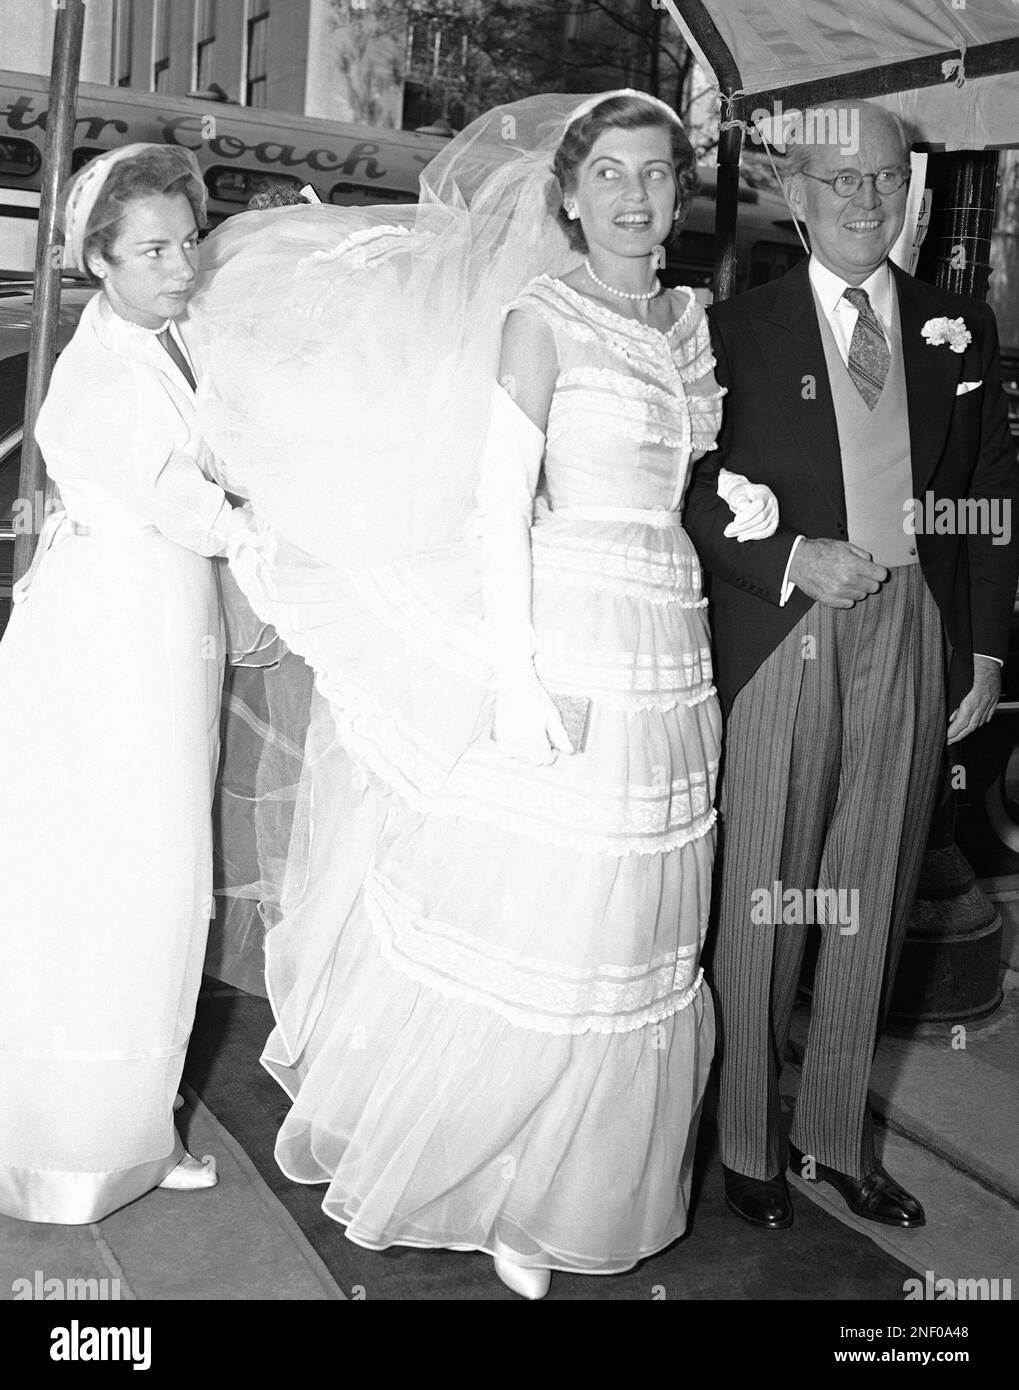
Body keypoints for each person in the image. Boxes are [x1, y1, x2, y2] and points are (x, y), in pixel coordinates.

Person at [192, 91, 778, 1297]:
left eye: (656, 174)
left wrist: (737, 503)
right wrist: (513, 675)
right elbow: (501, 505)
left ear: (679, 191)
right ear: (567, 193)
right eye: (608, 173)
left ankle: (571, 1184)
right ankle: (493, 1182)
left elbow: (674, 467)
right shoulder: (538, 317)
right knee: (550, 913)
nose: (633, 195)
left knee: (637, 923)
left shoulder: (685, 319)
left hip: (667, 636)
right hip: (562, 626)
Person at [683, 100, 1019, 1233]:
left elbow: (983, 497)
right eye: (840, 181)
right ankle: (745, 1138)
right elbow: (678, 489)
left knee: (867, 894)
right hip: (786, 635)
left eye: (883, 180)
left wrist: (977, 645)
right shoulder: (729, 330)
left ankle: (830, 1136)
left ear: (908, 192)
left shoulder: (954, 327)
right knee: (766, 893)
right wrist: (784, 558)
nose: (864, 200)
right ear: (794, 193)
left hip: (913, 628)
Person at [0, 144, 253, 1223]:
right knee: (116, 876)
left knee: (144, 872)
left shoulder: (167, 341)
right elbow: (191, 507)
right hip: (115, 633)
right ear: (96, 259)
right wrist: (296, 532)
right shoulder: (102, 371)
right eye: (151, 249)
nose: (178, 264)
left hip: (157, 618)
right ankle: (81, 1147)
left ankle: (119, 1125)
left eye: (186, 242)